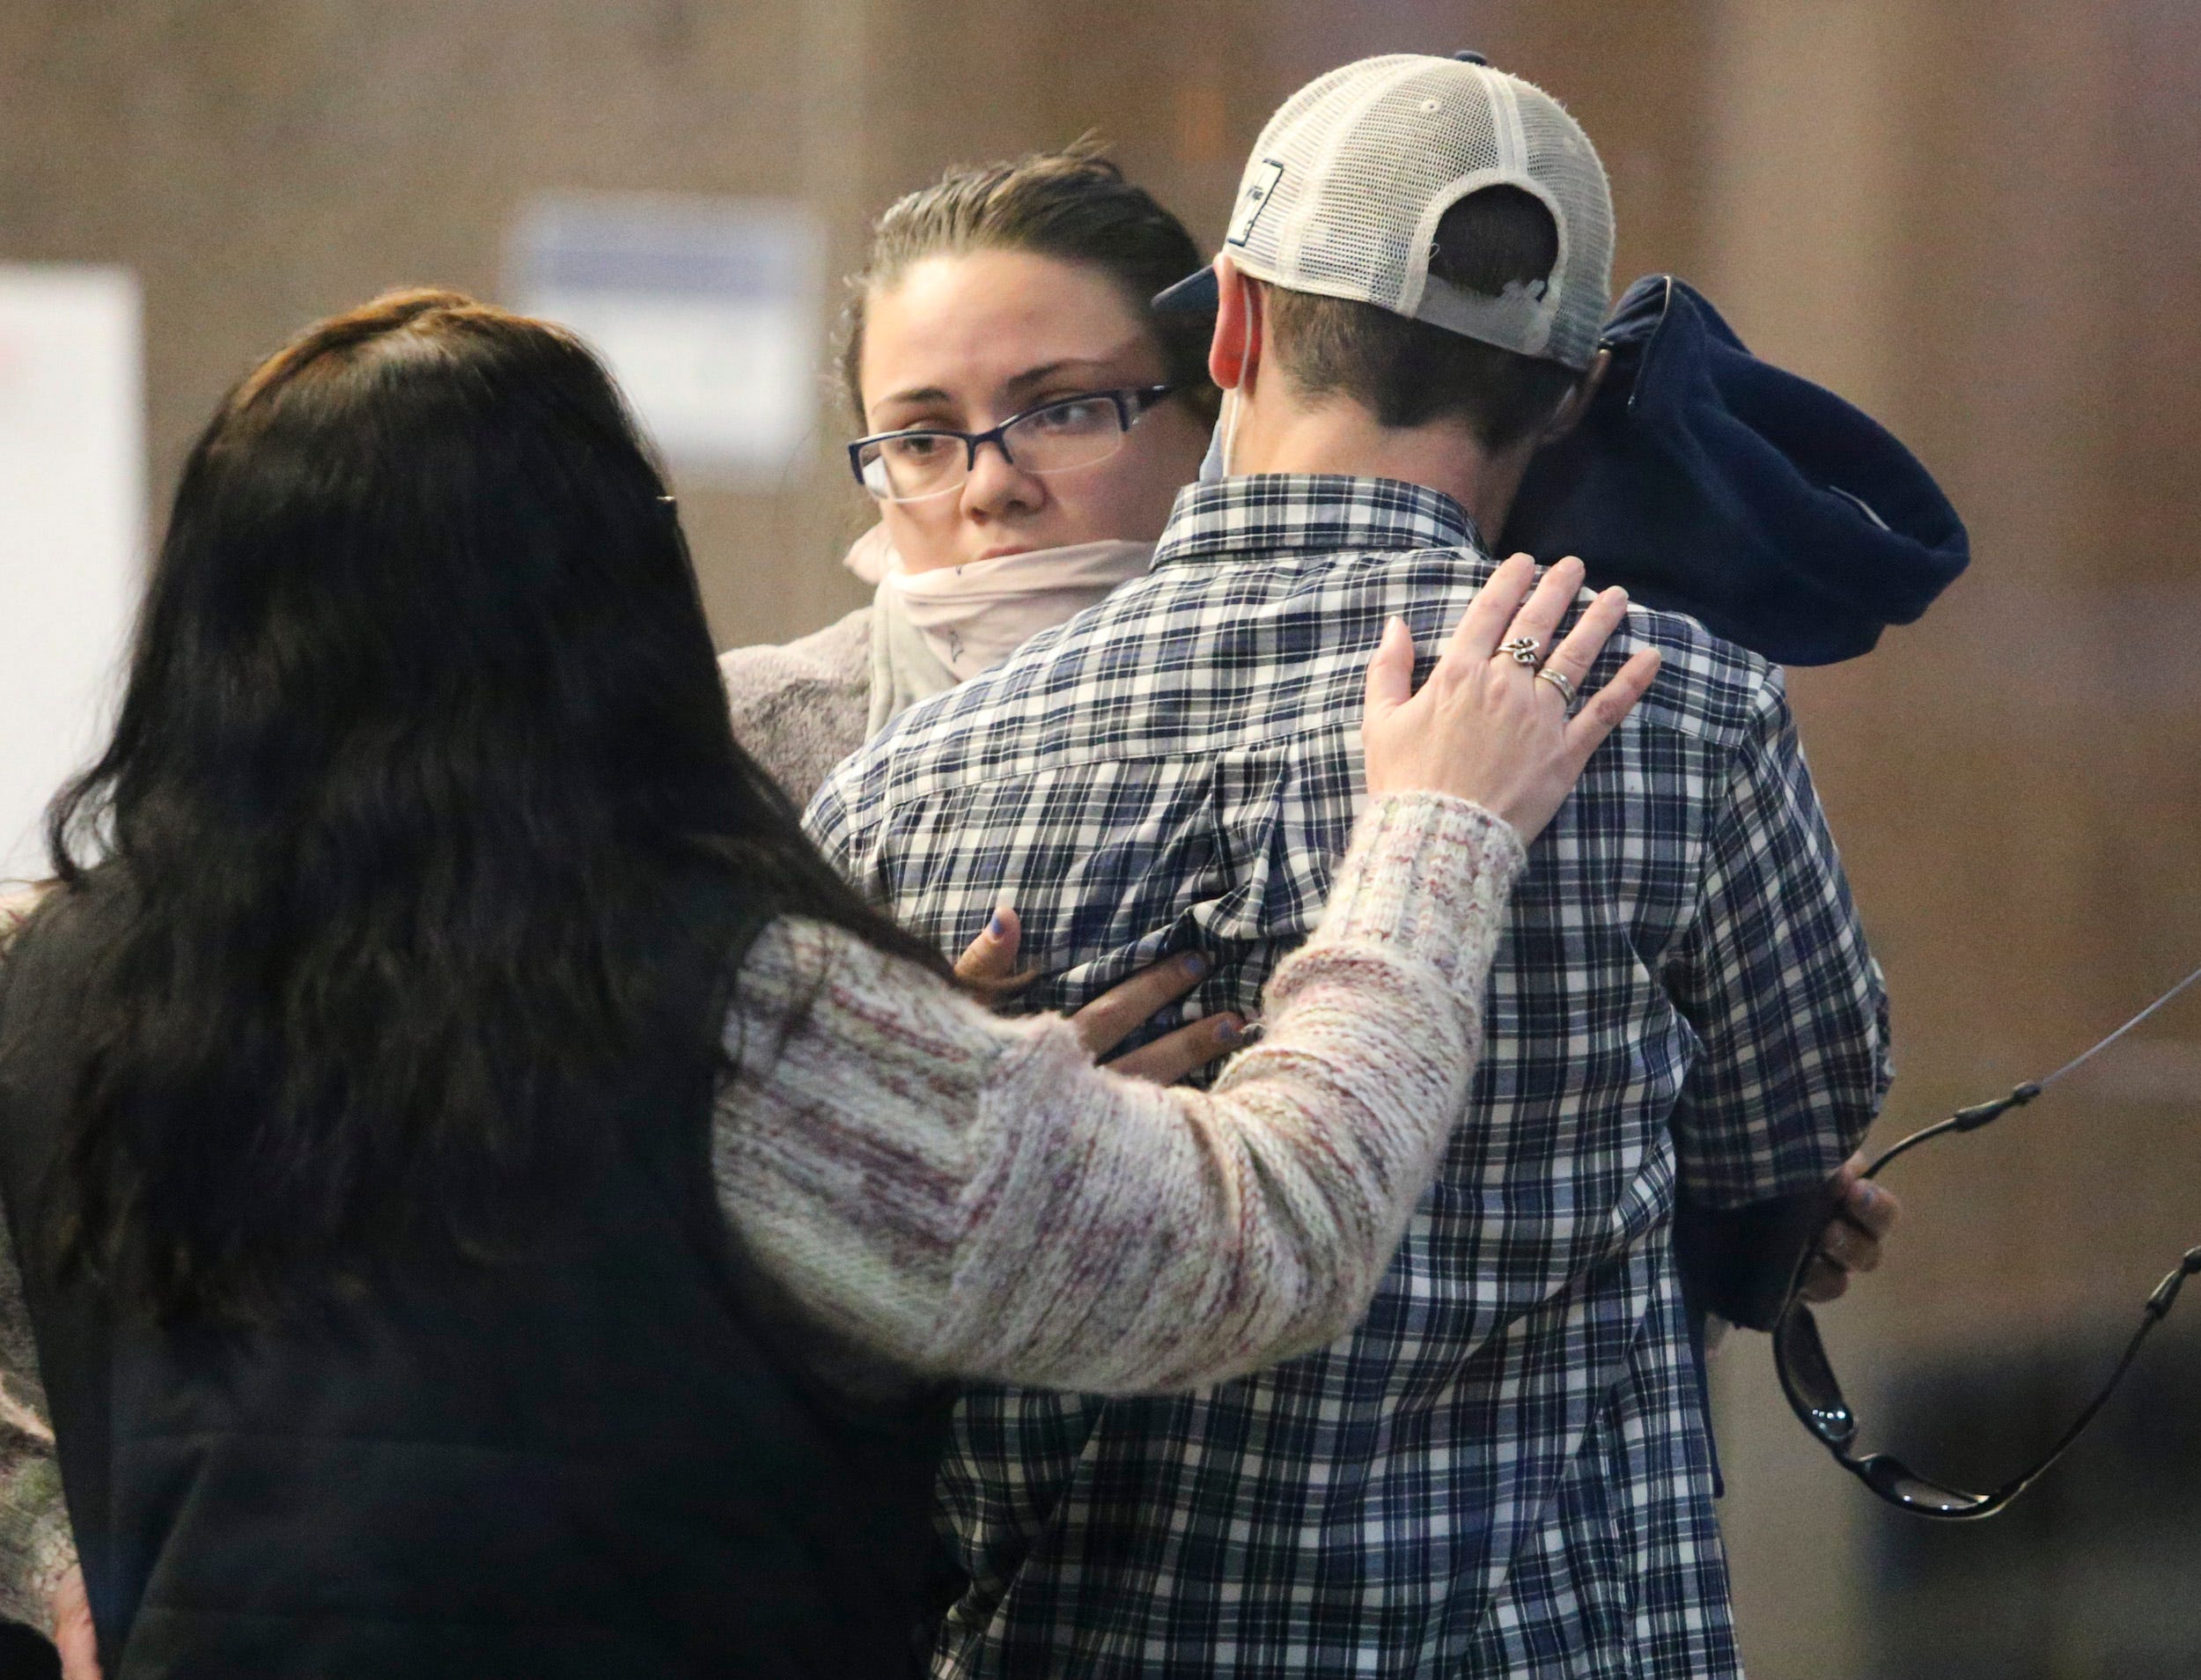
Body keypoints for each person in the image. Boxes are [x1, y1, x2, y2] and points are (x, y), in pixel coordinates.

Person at [0, 288, 1655, 1678]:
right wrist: (1435, 833)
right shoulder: (745, 1009)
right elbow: (1264, 1239)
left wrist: (79, 1562)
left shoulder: (58, 976)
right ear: (620, 598)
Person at [809, 55, 1891, 1677]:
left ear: (1230, 326)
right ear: (1575, 392)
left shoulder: (906, 783)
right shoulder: (1684, 714)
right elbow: (1791, 1130)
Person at [718, 147, 1216, 807]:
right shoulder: (750, 742)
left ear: (1214, 412)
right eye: (923, 440)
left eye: (1062, 412)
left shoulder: (1349, 703)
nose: (991, 488)